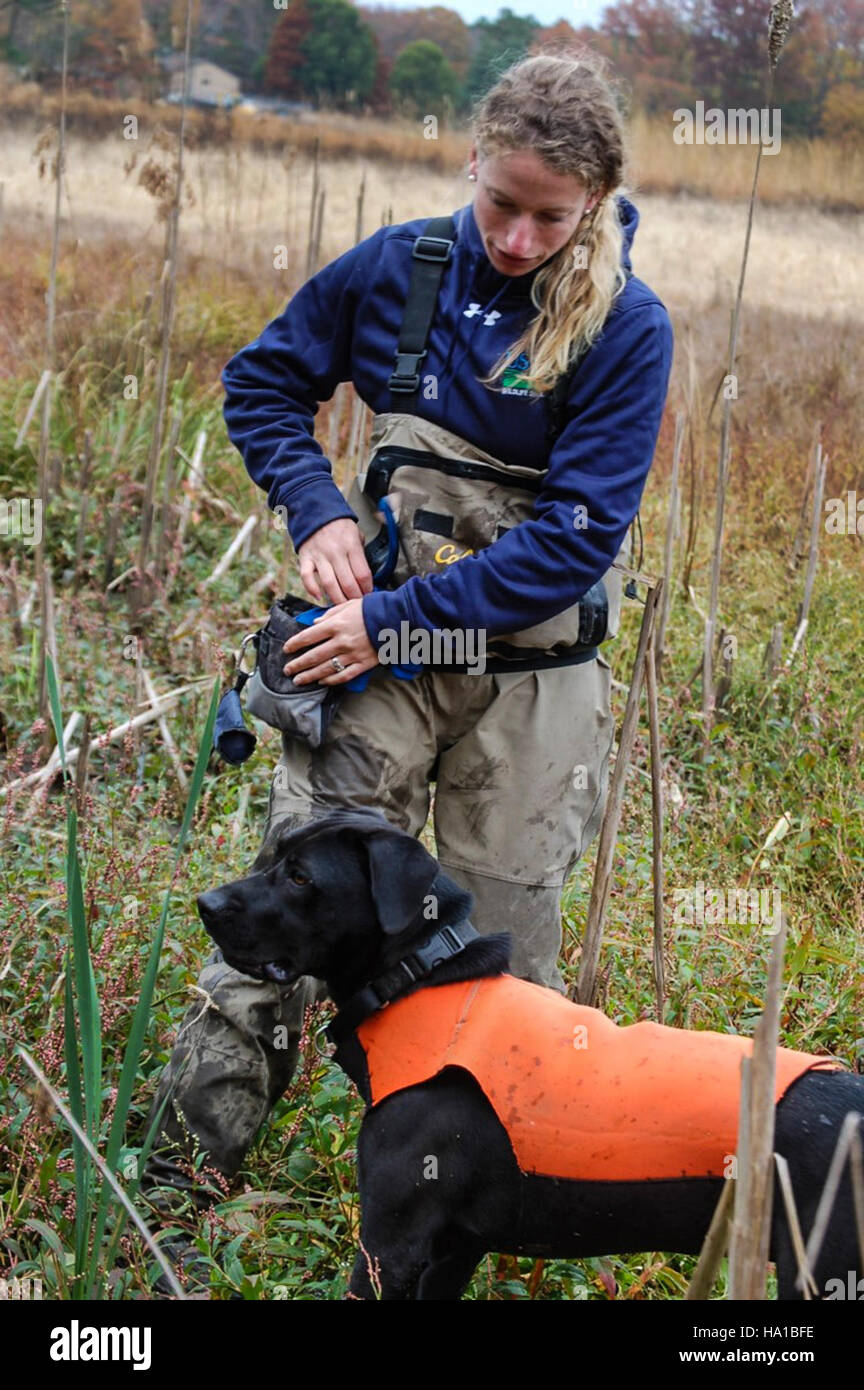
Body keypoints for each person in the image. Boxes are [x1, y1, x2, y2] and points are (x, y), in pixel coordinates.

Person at [140, 51, 674, 1265]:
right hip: (375, 670)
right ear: (472, 161)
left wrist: (384, 621)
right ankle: (174, 1184)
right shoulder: (398, 271)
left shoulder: (627, 328)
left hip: (528, 683)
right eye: (502, 202)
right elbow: (262, 382)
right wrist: (317, 510)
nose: (520, 237)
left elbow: (566, 549)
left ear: (594, 201)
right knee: (288, 912)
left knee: (501, 976)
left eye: (551, 215)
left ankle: (487, 1226)